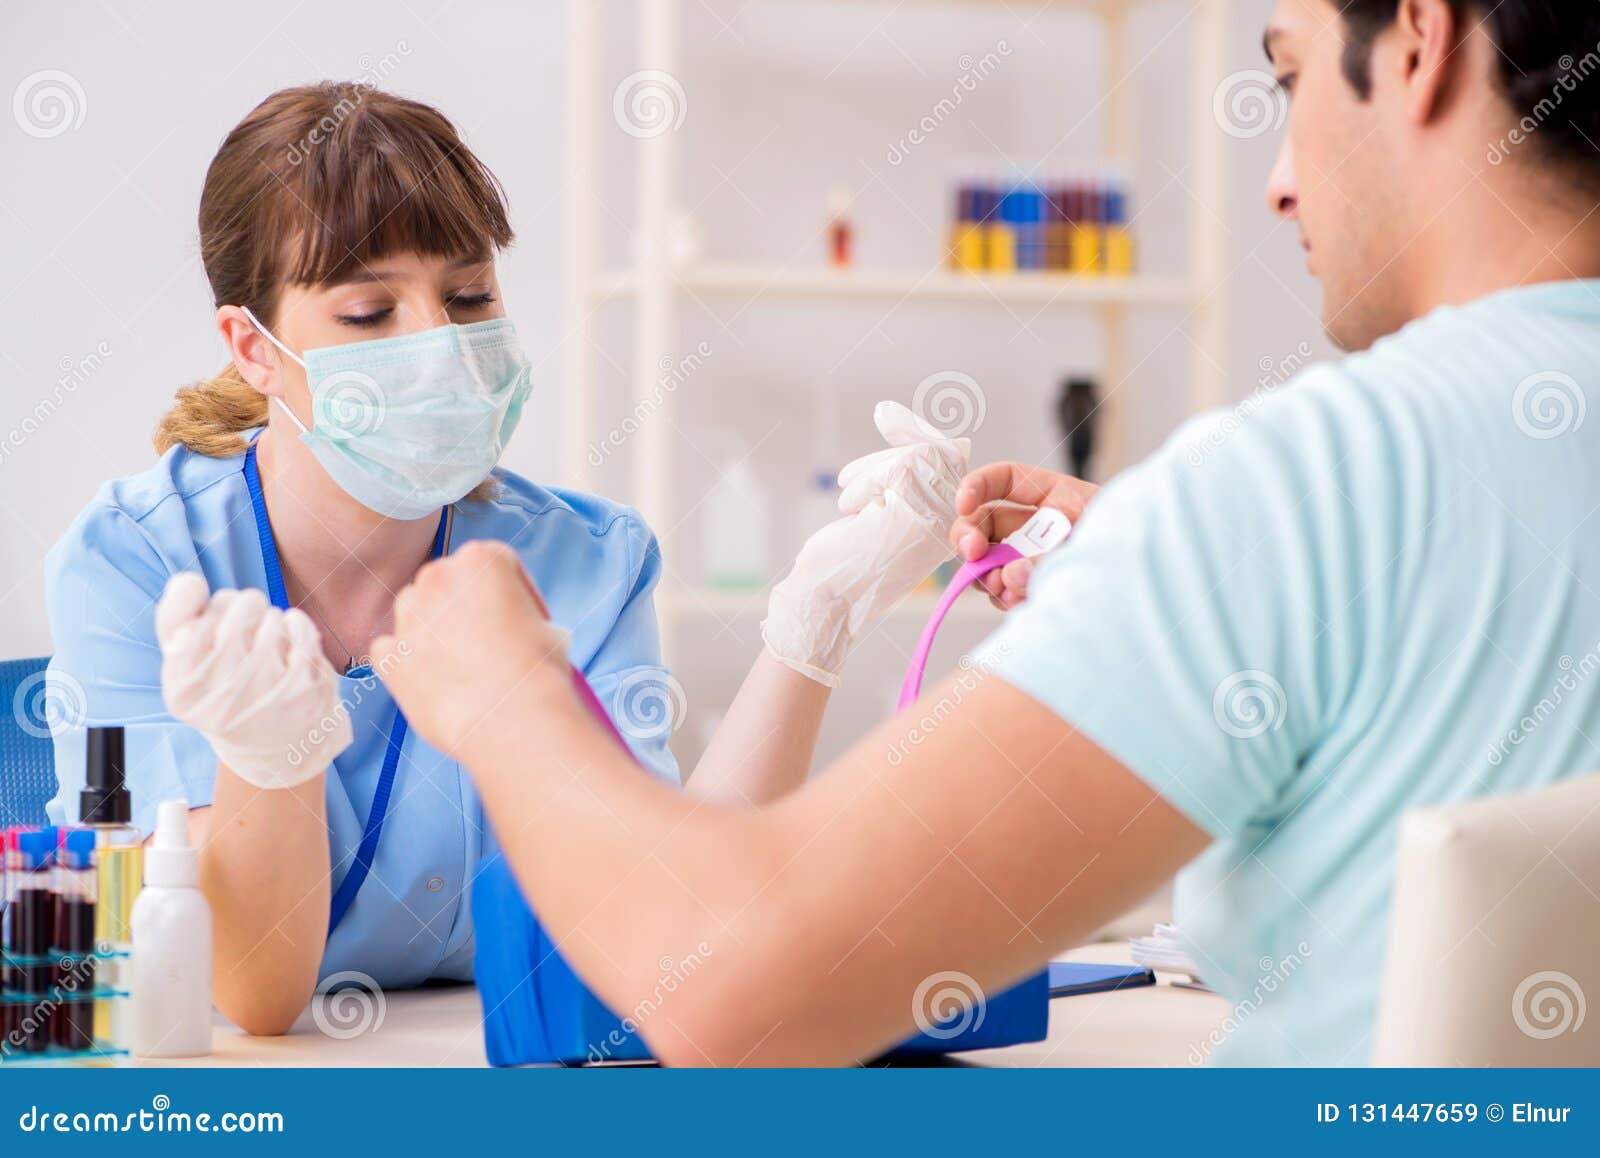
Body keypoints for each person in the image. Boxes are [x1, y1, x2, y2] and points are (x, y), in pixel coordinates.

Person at [303, 0, 1600, 1065]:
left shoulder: (1302, 482)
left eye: (1286, 76)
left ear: (1420, 44)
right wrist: (1164, 590)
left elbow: (734, 984)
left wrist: (506, 689)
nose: (1273, 184)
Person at [47, 84, 968, 1036]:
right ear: (254, 347)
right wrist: (266, 758)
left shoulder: (589, 559)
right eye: (369, 313)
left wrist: (812, 623)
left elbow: (677, 922)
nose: (440, 345)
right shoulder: (139, 565)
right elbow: (257, 994)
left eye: (469, 294)